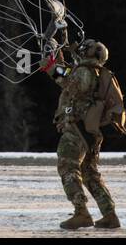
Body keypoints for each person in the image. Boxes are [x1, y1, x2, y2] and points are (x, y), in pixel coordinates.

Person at [45, 37, 120, 230]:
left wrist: (51, 67)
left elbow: (68, 82)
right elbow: (69, 75)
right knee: (90, 174)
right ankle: (109, 214)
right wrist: (57, 59)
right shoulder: (95, 72)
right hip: (91, 132)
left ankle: (81, 212)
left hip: (76, 130)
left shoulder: (84, 72)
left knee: (67, 167)